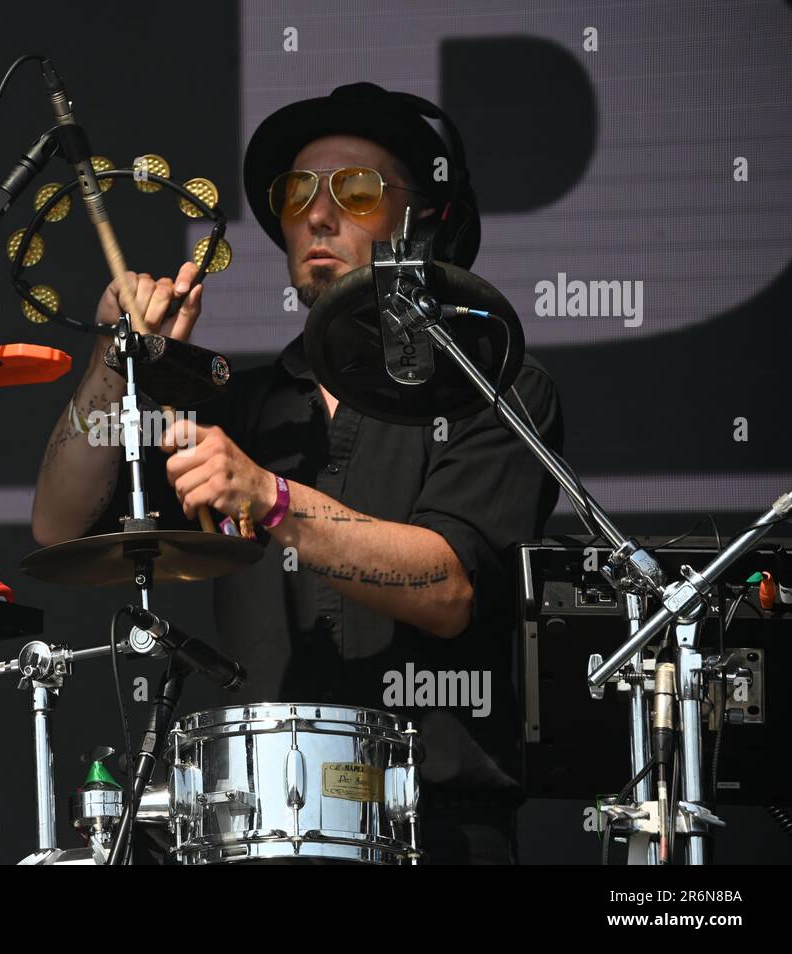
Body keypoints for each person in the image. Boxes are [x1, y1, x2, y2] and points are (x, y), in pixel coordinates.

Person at [30, 82, 563, 864]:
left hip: (435, 830)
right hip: (256, 831)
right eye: (295, 194)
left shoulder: (496, 388)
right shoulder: (238, 406)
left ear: (424, 218)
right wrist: (116, 365)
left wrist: (271, 499)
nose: (317, 215)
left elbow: (449, 590)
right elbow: (61, 525)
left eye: (355, 191)